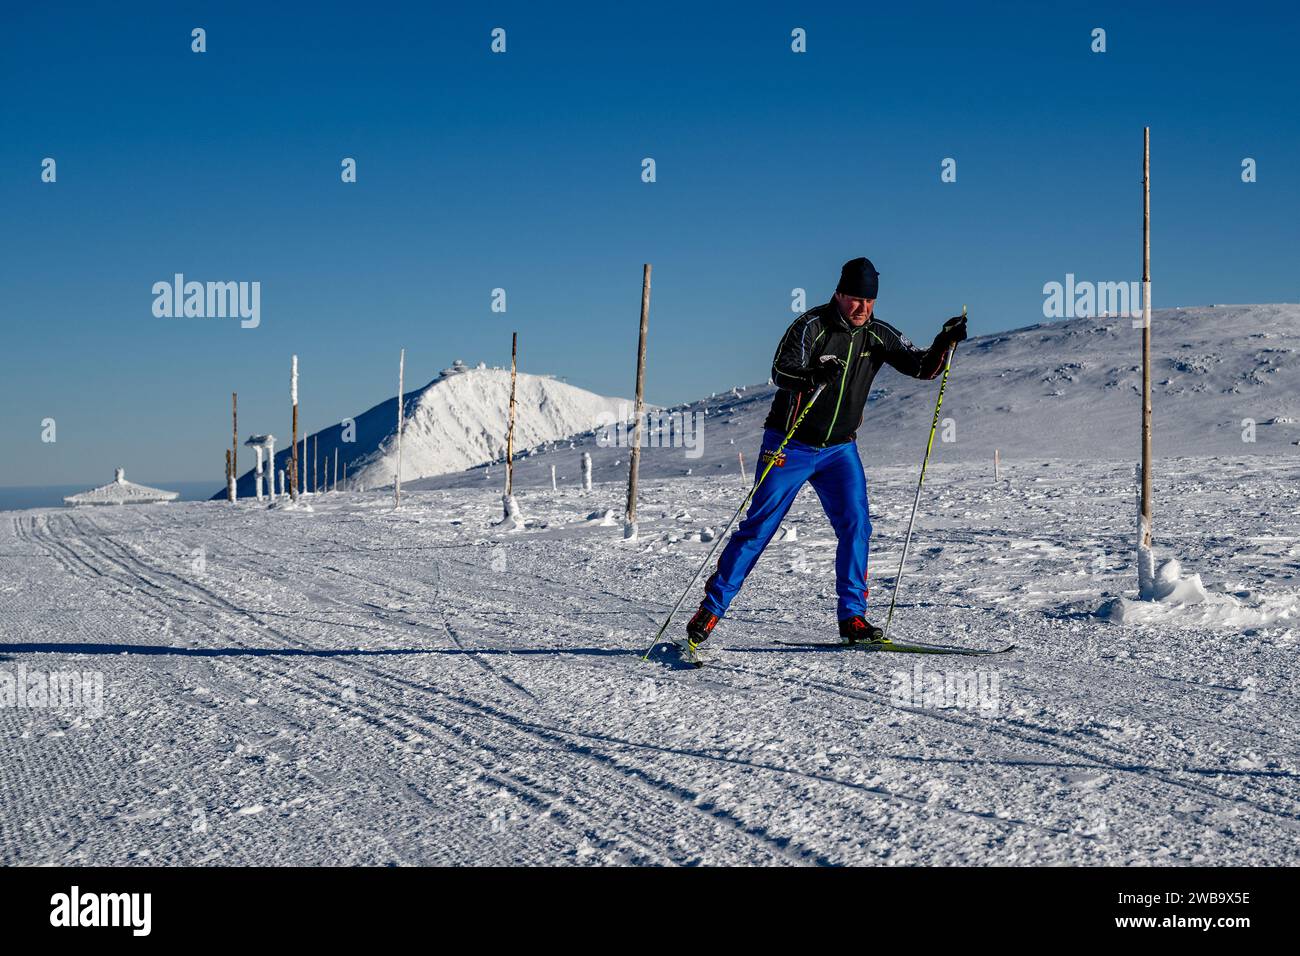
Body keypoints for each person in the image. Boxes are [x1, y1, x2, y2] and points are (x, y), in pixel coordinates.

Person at [677, 257, 967, 658]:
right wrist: (813, 375)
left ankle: (853, 618)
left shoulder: (878, 335)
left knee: (857, 525)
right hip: (790, 444)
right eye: (854, 299)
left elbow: (923, 367)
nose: (862, 308)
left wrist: (944, 341)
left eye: (869, 300)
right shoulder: (811, 326)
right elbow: (781, 370)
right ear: (839, 294)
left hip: (839, 450)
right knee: (759, 528)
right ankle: (710, 611)